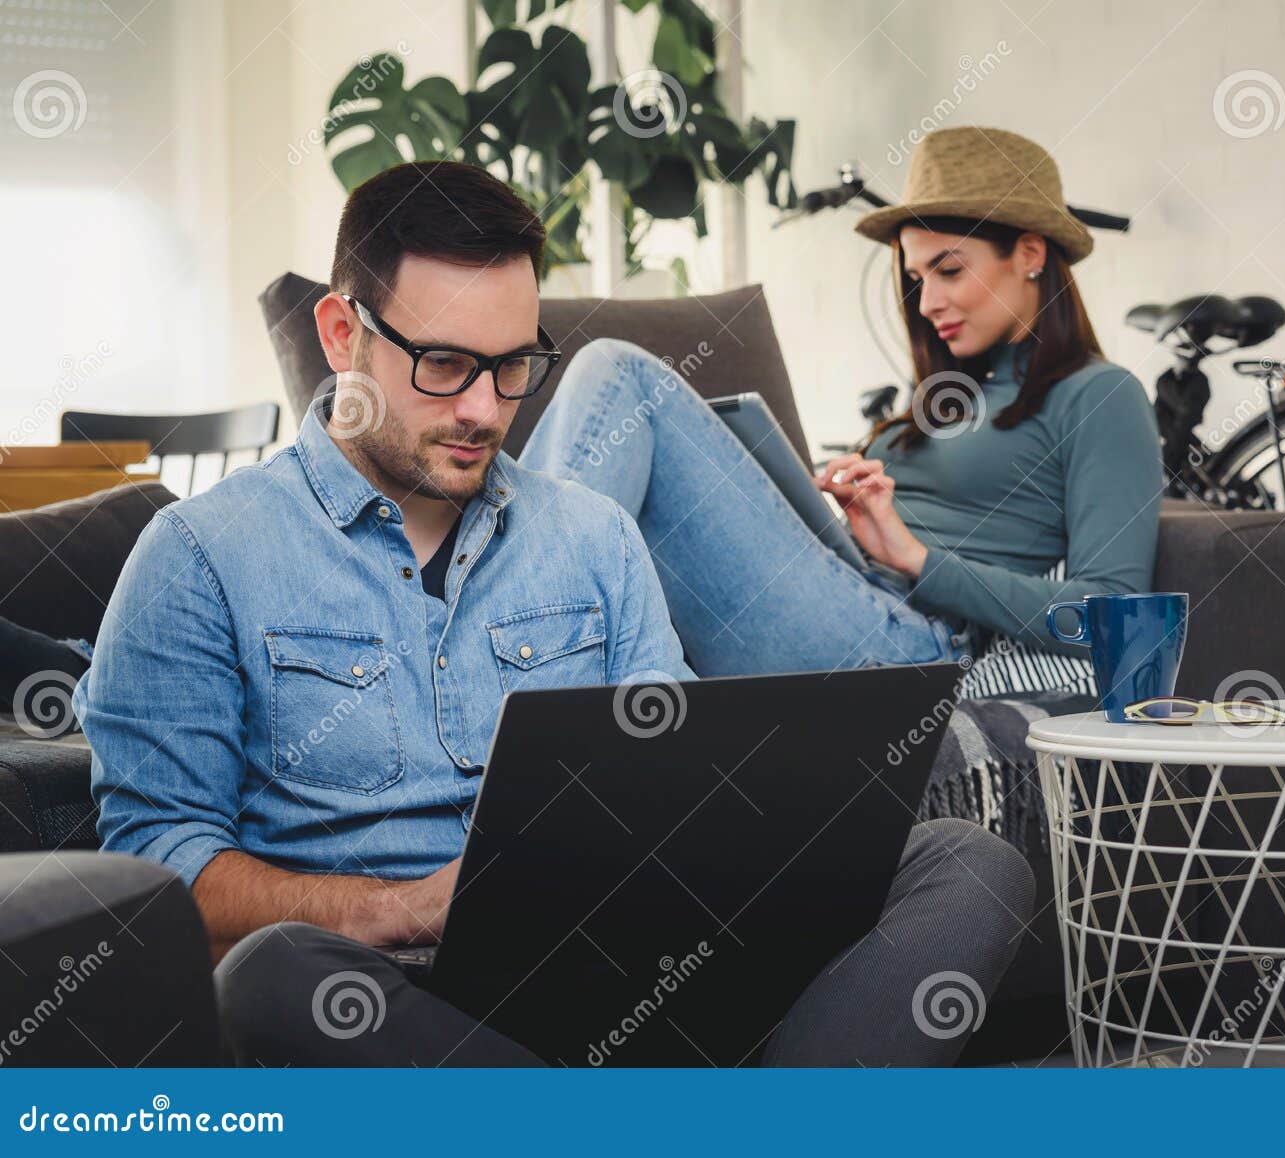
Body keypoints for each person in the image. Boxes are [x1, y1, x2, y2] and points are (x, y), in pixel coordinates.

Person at [74, 160, 1033, 1067]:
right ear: (340, 333)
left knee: (968, 867)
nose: (487, 411)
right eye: (445, 364)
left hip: (636, 967)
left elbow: (685, 773)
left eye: (514, 365)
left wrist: (745, 842)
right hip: (404, 996)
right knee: (269, 979)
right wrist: (405, 909)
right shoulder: (200, 556)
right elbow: (164, 872)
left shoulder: (596, 536)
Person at [519, 126, 1162, 678]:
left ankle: (502, 633)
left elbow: (1109, 620)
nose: (928, 302)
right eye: (916, 280)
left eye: (949, 269)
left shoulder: (1100, 395)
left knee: (619, 371)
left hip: (903, 638)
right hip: (836, 587)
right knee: (623, 454)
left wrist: (915, 558)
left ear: (1028, 254)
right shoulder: (940, 401)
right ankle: (546, 663)